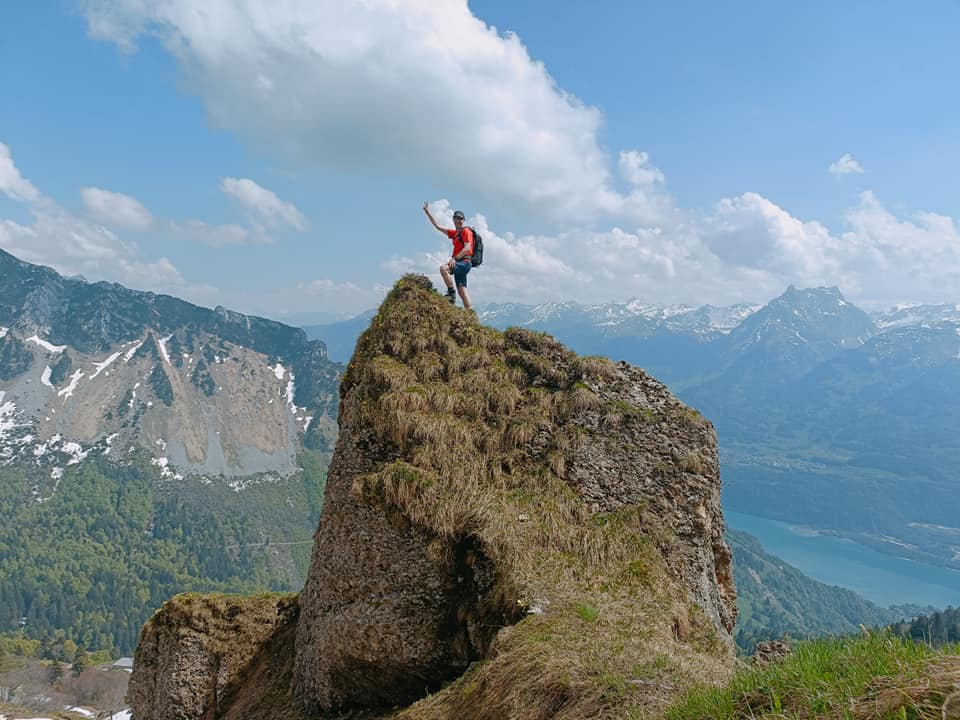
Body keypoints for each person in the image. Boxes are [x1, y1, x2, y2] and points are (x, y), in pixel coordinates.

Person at [422, 202, 473, 310]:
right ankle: (470, 315)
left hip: (464, 262)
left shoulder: (466, 231)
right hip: (461, 263)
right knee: (462, 290)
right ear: (453, 220)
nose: (458, 220)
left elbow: (467, 247)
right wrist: (428, 213)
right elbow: (438, 227)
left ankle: (451, 295)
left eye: (460, 219)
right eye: (456, 218)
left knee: (444, 268)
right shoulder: (454, 233)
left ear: (463, 220)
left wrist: (455, 258)